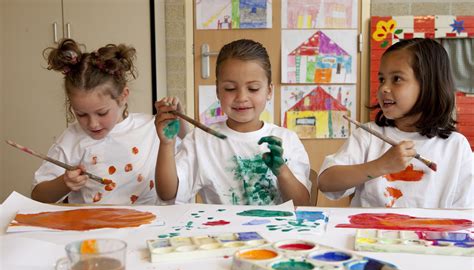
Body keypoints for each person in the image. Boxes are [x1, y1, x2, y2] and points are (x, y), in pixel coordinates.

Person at [318, 38, 473, 208]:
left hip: (428, 234)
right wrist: (381, 166)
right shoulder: (368, 135)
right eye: (382, 79)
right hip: (370, 233)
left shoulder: (455, 146)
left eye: (397, 79)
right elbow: (326, 182)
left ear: (429, 85)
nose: (384, 88)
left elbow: (465, 213)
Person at [155, 39, 311, 206]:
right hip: (222, 231)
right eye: (230, 88)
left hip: (275, 230)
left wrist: (282, 171)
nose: (241, 98)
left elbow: (303, 204)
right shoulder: (201, 140)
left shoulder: (286, 139)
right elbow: (167, 194)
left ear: (269, 91)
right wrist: (166, 144)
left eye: (253, 89)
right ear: (217, 90)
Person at [31, 39, 186, 205]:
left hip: (148, 226)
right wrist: (64, 183)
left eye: (102, 113)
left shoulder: (150, 128)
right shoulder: (72, 138)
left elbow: (189, 147)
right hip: (92, 228)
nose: (93, 124)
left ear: (123, 96)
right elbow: (38, 195)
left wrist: (180, 118)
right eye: (81, 114)